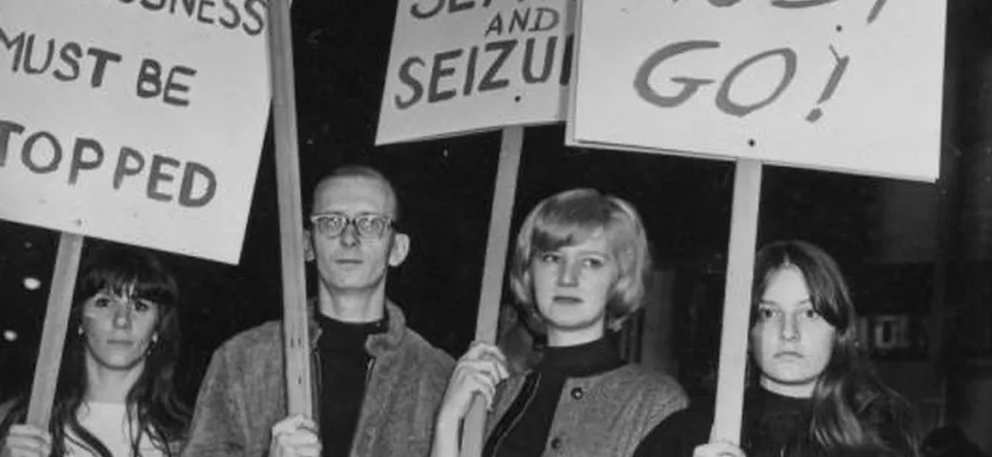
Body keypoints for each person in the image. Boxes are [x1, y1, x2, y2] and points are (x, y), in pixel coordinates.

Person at [181, 165, 453, 457]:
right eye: (331, 222)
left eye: (371, 223)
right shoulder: (242, 360)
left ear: (398, 248)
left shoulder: (436, 377)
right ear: (307, 244)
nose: (349, 238)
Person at [432, 188, 687, 457]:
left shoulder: (653, 403)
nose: (567, 277)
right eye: (552, 258)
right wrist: (447, 422)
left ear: (619, 277)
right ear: (529, 271)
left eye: (591, 262)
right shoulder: (495, 398)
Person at [634, 240, 918, 457]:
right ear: (747, 329)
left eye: (809, 314)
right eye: (770, 313)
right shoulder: (690, 434)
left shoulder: (881, 436)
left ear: (839, 329)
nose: (788, 332)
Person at [0, 243, 191, 457]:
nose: (121, 320)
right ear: (80, 319)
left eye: (139, 306)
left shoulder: (192, 438)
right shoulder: (22, 424)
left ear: (158, 327)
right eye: (104, 302)